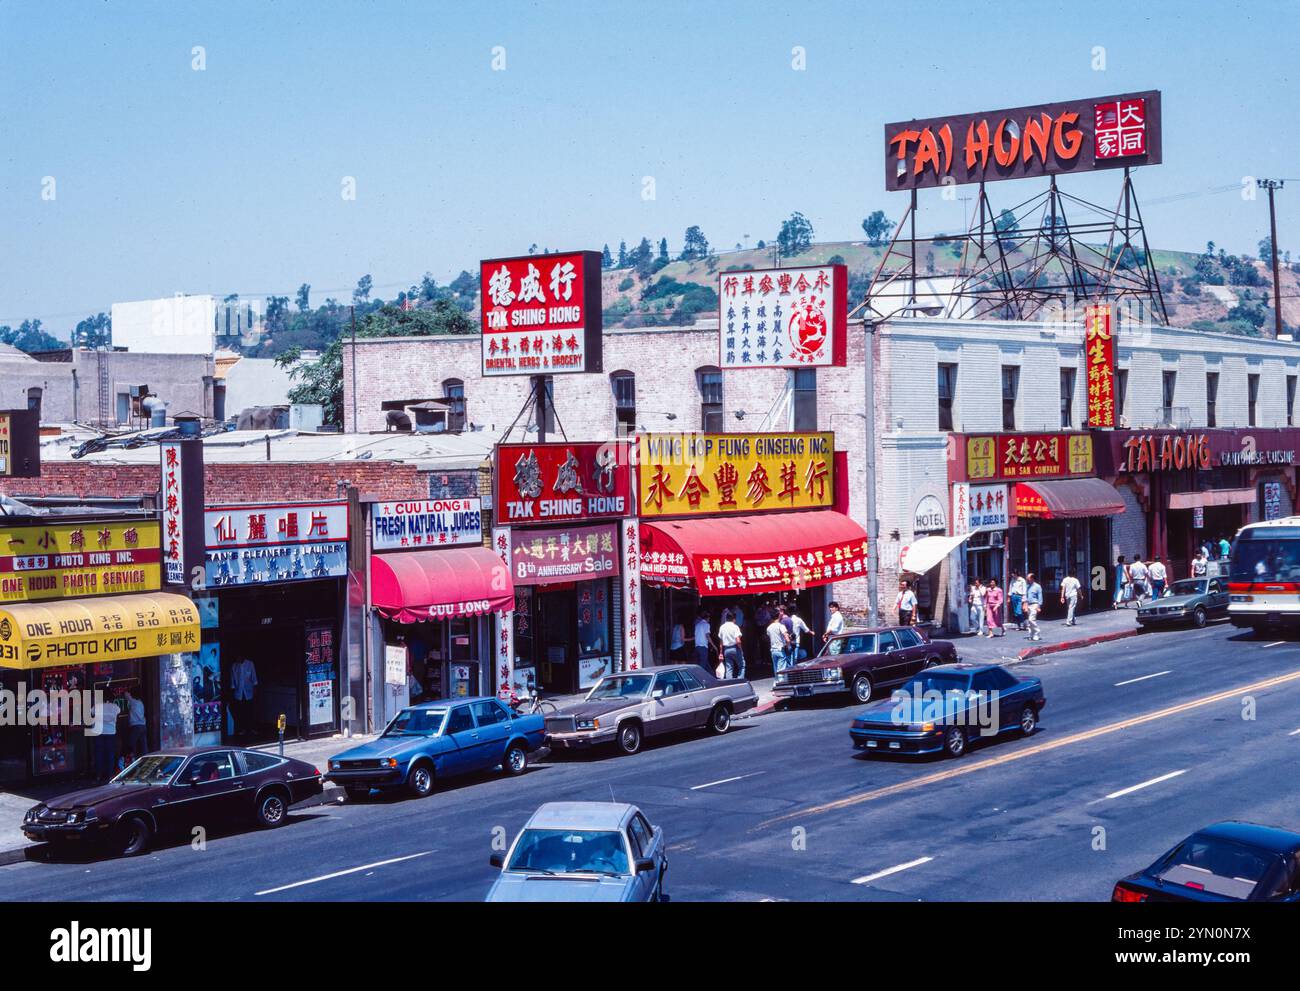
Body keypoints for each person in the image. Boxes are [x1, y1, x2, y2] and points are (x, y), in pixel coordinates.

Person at [89, 694, 121, 781]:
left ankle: (98, 775)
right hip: (111, 732)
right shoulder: (115, 707)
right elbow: (118, 714)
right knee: (110, 754)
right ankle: (110, 775)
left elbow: (91, 713)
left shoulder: (97, 706)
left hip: (99, 732)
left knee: (99, 754)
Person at [230, 656, 259, 739]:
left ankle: (251, 728)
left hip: (249, 692)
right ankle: (242, 729)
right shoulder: (234, 666)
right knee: (241, 712)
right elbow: (232, 681)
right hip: (238, 693)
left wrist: (255, 692)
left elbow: (254, 679)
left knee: (250, 710)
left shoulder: (250, 664)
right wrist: (232, 693)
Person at [122, 688, 147, 762]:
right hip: (143, 725)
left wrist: (126, 691)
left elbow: (127, 696)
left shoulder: (133, 702)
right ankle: (145, 761)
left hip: (136, 726)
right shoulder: (140, 702)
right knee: (143, 745)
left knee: (131, 744)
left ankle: (134, 761)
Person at [718, 610, 744, 679]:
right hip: (735, 648)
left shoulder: (722, 627)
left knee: (729, 668)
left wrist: (721, 653)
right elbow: (738, 641)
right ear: (734, 619)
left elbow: (721, 642)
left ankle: (729, 683)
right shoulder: (735, 627)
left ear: (726, 619)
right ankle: (740, 681)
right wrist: (741, 649)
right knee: (742, 666)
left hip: (726, 650)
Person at [1025, 573, 1043, 642]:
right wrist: (1025, 605)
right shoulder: (1027, 586)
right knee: (1029, 622)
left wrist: (1039, 606)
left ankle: (1037, 632)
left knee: (1031, 619)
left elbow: (1040, 597)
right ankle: (1031, 635)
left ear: (1032, 578)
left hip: (1035, 604)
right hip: (1028, 605)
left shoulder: (1037, 586)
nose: (1027, 579)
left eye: (1028, 578)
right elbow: (1026, 596)